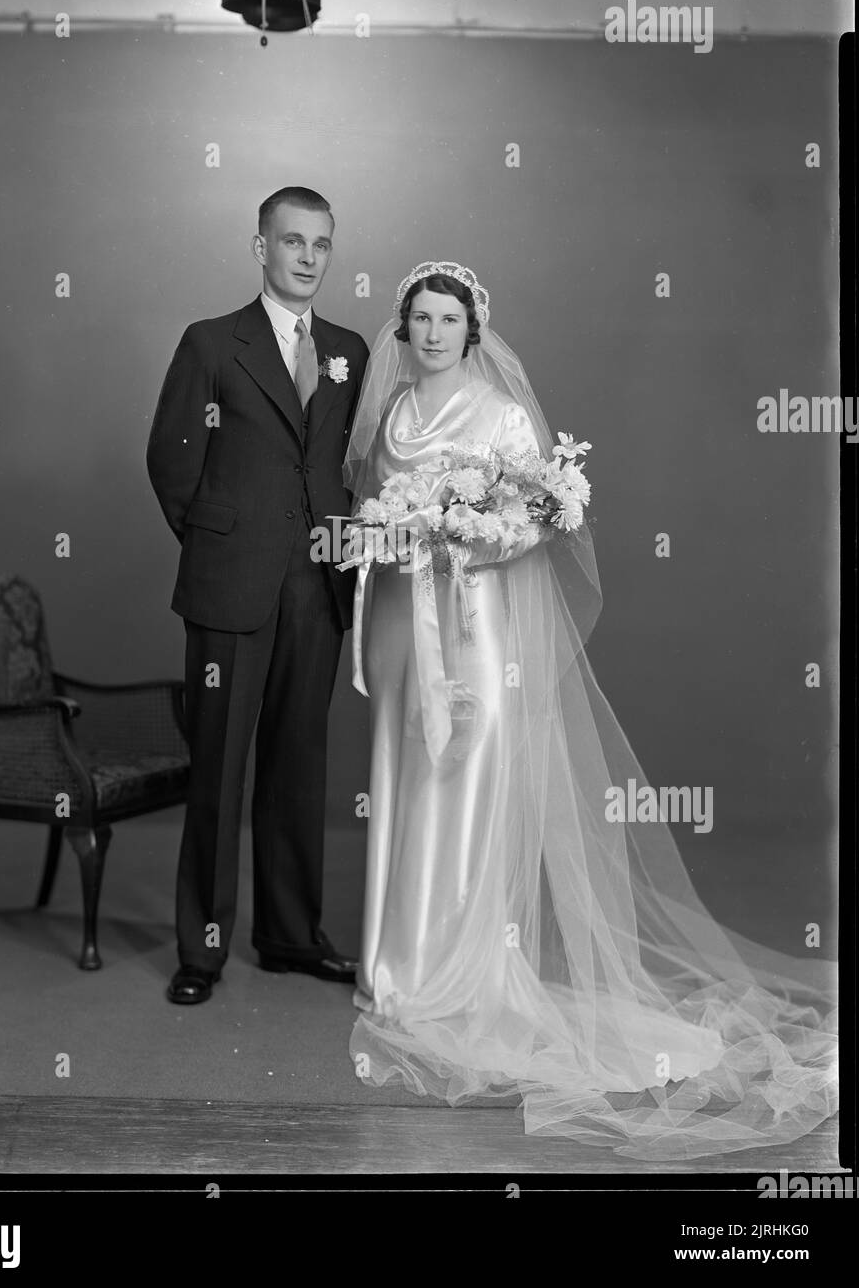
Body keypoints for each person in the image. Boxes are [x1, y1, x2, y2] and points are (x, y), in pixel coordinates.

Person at [340, 261, 838, 1159]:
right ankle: (399, 967)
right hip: (400, 631)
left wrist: (465, 536)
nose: (432, 332)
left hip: (477, 632)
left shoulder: (501, 417)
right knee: (405, 778)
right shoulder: (391, 418)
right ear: (403, 326)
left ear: (473, 329)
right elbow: (371, 514)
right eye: (419, 317)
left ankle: (466, 970)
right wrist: (397, 534)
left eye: (449, 318)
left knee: (471, 780)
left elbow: (536, 521)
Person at [146, 186, 368, 1004]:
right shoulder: (211, 342)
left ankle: (287, 938)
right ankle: (202, 951)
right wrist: (223, 548)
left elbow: (351, 464)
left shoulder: (349, 348)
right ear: (260, 248)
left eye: (321, 244)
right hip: (231, 589)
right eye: (292, 241)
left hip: (318, 590)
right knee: (220, 773)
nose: (308, 257)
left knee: (297, 768)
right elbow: (172, 462)